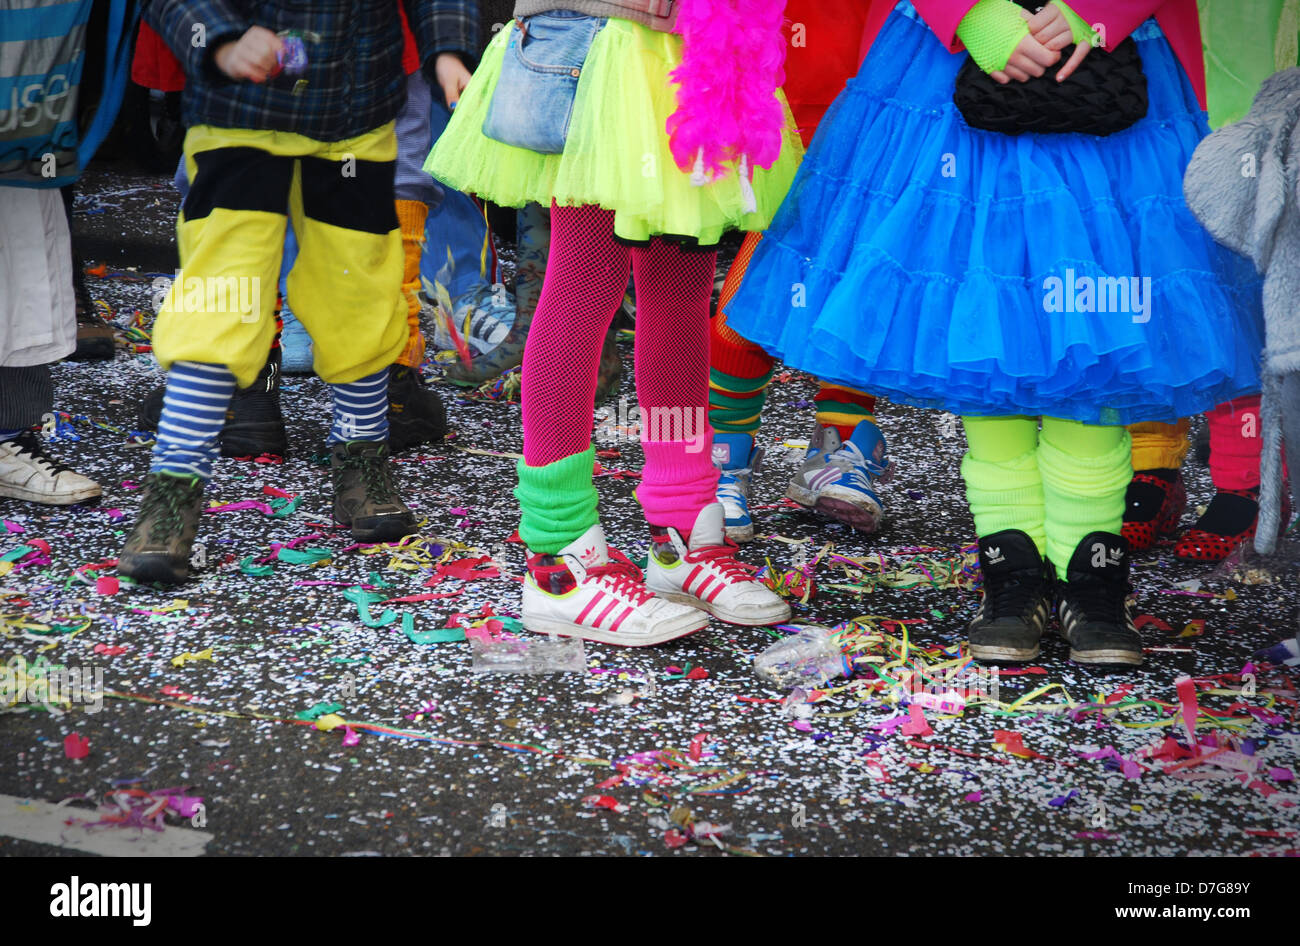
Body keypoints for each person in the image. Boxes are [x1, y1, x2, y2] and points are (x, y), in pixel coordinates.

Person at [725, 0, 1264, 667]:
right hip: (955, 68)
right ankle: (1012, 572)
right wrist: (968, 13)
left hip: (1114, 62)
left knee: (1099, 328)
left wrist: (1097, 10)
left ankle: (1090, 576)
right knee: (978, 310)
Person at [426, 0, 801, 645]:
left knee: (681, 305)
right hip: (602, 59)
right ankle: (558, 559)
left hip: (691, 60)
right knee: (580, 291)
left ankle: (680, 533)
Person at [117, 0, 477, 584]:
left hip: (355, 120)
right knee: (220, 302)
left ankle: (363, 459)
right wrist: (220, 39)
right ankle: (170, 495)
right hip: (240, 114)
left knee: (359, 293)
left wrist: (449, 49)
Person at [710, 0, 891, 542]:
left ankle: (834, 454)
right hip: (765, 134)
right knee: (742, 321)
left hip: (865, 131)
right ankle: (724, 464)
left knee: (848, 309)